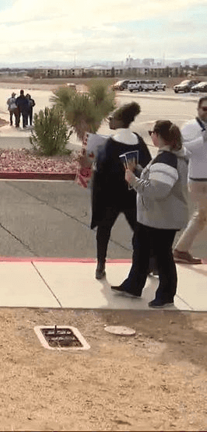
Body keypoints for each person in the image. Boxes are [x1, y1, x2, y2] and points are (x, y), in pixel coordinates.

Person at [112, 120, 189, 308]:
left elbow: (157, 190)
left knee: (162, 256)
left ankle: (166, 295)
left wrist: (133, 179)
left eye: (152, 132)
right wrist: (138, 171)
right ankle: (133, 285)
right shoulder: (167, 157)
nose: (150, 135)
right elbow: (156, 180)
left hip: (162, 219)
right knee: (141, 250)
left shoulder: (167, 160)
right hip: (153, 218)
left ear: (159, 136)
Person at [91, 102, 152, 280]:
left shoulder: (110, 143)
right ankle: (148, 263)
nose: (109, 120)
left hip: (110, 196)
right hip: (133, 194)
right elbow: (148, 165)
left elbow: (100, 170)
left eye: (112, 118)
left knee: (104, 231)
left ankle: (101, 264)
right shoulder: (138, 141)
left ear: (120, 121)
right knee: (139, 230)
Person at [172, 96, 207, 264]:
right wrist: (203, 139)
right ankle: (180, 250)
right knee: (201, 216)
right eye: (205, 109)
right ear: (198, 110)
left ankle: (181, 250)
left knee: (201, 217)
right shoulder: (190, 127)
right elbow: (181, 150)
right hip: (199, 181)